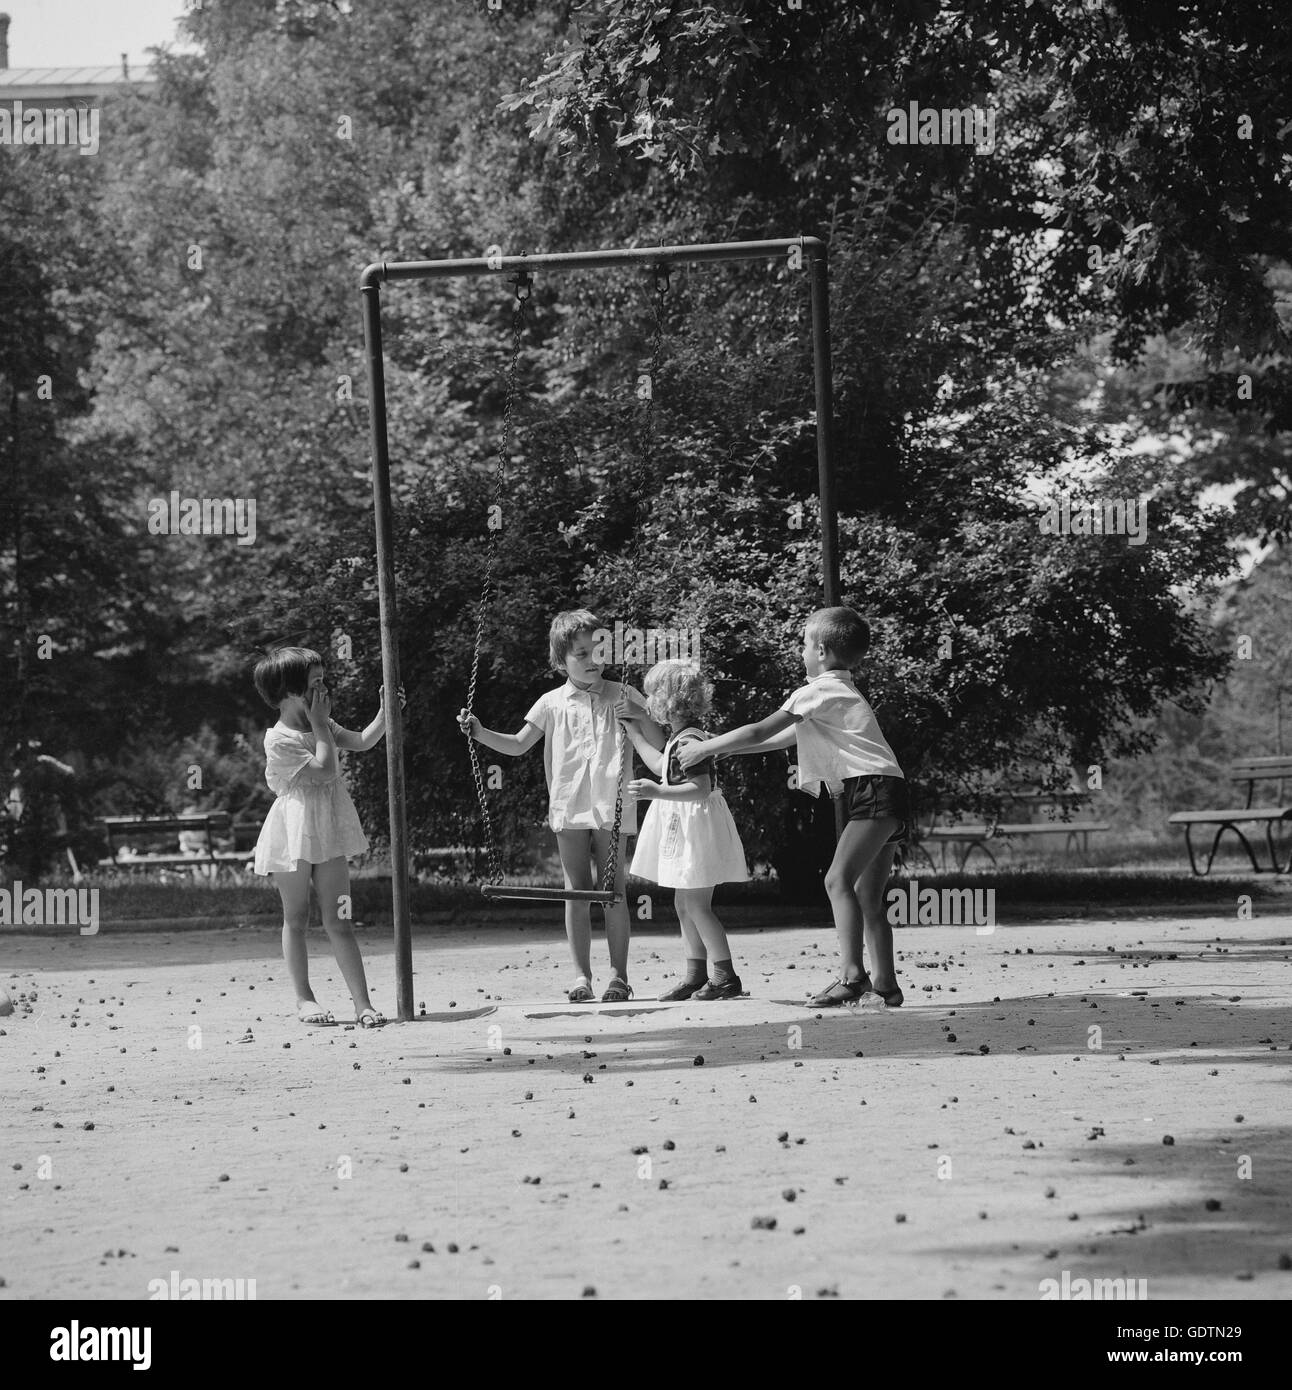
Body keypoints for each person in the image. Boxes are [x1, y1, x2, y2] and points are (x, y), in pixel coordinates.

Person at [679, 606, 908, 1009]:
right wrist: (722, 747)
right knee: (867, 893)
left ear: (820, 650)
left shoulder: (816, 690)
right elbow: (778, 739)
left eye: (803, 643)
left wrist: (705, 747)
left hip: (872, 791)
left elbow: (759, 729)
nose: (800, 651)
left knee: (836, 881)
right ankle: (886, 985)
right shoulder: (839, 691)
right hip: (888, 790)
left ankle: (854, 977)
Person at [458, 609, 664, 1003]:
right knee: (576, 890)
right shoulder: (550, 704)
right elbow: (518, 745)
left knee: (613, 888)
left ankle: (618, 976)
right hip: (569, 804)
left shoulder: (624, 695)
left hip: (611, 802)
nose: (591, 661)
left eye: (597, 652)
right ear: (560, 661)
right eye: (581, 655)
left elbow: (654, 740)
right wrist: (480, 732)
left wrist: (639, 714)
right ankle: (581, 976)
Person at [252, 646, 398, 1028]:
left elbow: (364, 741)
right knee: (296, 917)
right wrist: (320, 725)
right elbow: (326, 769)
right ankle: (304, 999)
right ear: (289, 691)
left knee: (340, 917)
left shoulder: (325, 725)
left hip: (328, 834)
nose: (324, 688)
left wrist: (386, 712)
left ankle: (363, 1003)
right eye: (315, 682)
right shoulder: (279, 739)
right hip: (293, 835)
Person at [620, 659, 748, 1000]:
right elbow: (663, 764)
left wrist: (656, 792)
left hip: (696, 831)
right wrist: (634, 733)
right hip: (686, 827)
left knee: (697, 905)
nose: (647, 703)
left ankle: (725, 977)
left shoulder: (691, 739)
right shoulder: (680, 737)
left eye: (651, 696)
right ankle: (696, 974)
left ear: (668, 700)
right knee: (683, 904)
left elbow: (701, 788)